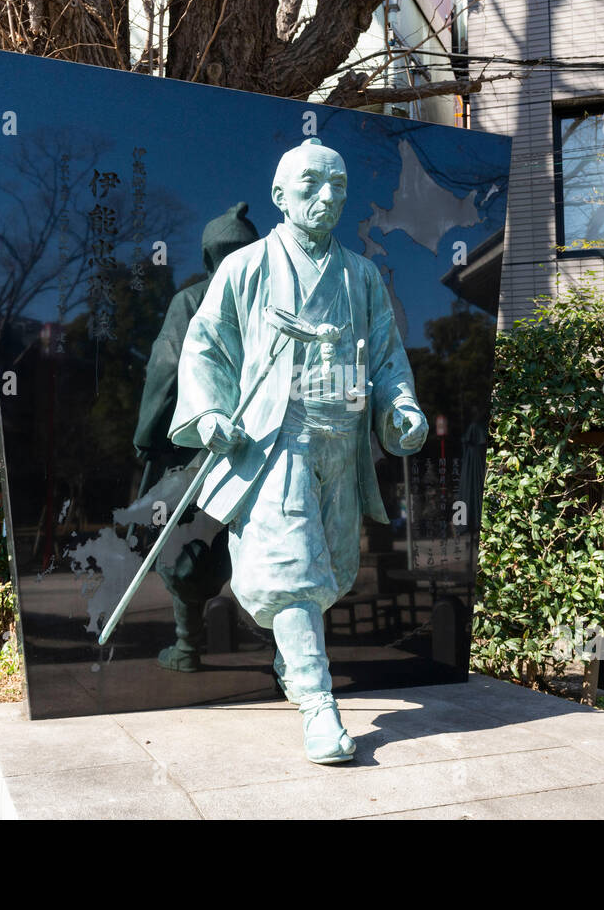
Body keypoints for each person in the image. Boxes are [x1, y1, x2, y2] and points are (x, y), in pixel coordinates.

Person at [170, 138, 428, 764]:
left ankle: (293, 656)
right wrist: (208, 413)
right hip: (274, 440)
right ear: (280, 197)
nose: (328, 197)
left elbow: (388, 355)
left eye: (338, 186)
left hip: (339, 445)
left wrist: (401, 407)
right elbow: (204, 345)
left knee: (330, 570)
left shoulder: (361, 275)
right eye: (312, 185)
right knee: (289, 571)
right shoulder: (247, 267)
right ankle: (320, 706)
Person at [132, 203, 260, 672]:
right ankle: (288, 658)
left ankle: (188, 647)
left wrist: (149, 435)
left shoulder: (192, 300)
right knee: (270, 550)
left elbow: (164, 372)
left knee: (188, 546)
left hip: (202, 453)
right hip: (270, 454)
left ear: (208, 258)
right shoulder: (281, 303)